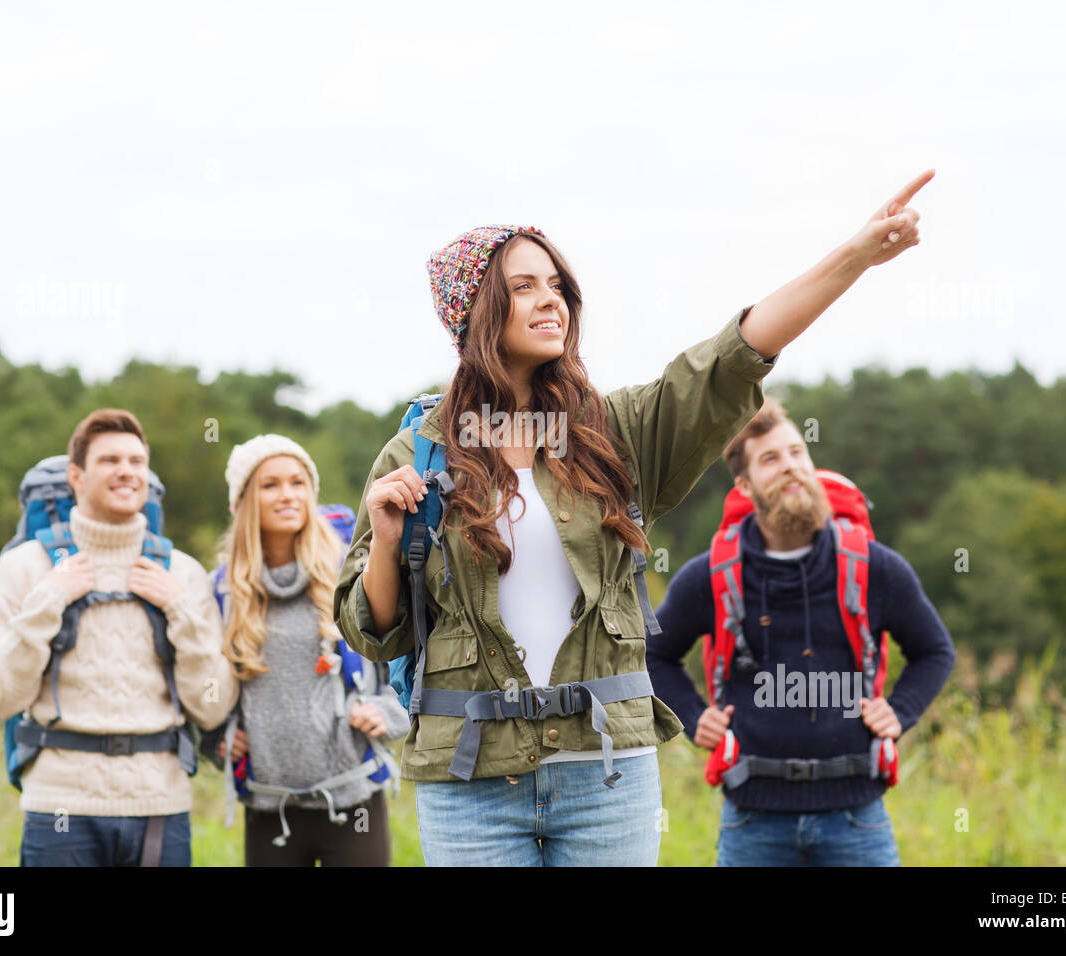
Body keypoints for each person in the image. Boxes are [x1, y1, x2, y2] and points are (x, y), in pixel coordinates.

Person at [333, 169, 935, 867]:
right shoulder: (418, 451)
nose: (549, 299)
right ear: (471, 310)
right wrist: (383, 540)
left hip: (605, 772)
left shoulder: (615, 433)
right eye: (523, 286)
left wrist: (856, 255)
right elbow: (372, 634)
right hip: (468, 781)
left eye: (556, 285)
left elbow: (730, 359)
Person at [645, 396, 956, 866]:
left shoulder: (874, 567)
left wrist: (901, 710)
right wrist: (693, 717)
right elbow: (653, 654)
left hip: (857, 818)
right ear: (745, 486)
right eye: (771, 459)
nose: (790, 467)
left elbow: (935, 650)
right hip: (752, 822)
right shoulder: (710, 575)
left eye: (797, 453)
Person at [0, 408, 239, 866]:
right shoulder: (23, 568)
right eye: (110, 460)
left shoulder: (184, 574)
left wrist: (180, 612)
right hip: (59, 808)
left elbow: (213, 706)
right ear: (76, 475)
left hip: (160, 808)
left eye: (137, 461)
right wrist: (47, 600)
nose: (126, 471)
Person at [204, 435, 410, 867]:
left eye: (298, 483)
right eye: (270, 485)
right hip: (270, 807)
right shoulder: (221, 592)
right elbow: (201, 681)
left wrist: (387, 711)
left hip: (354, 797)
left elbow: (401, 653)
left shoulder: (351, 573)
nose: (288, 495)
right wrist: (214, 737)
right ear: (242, 502)